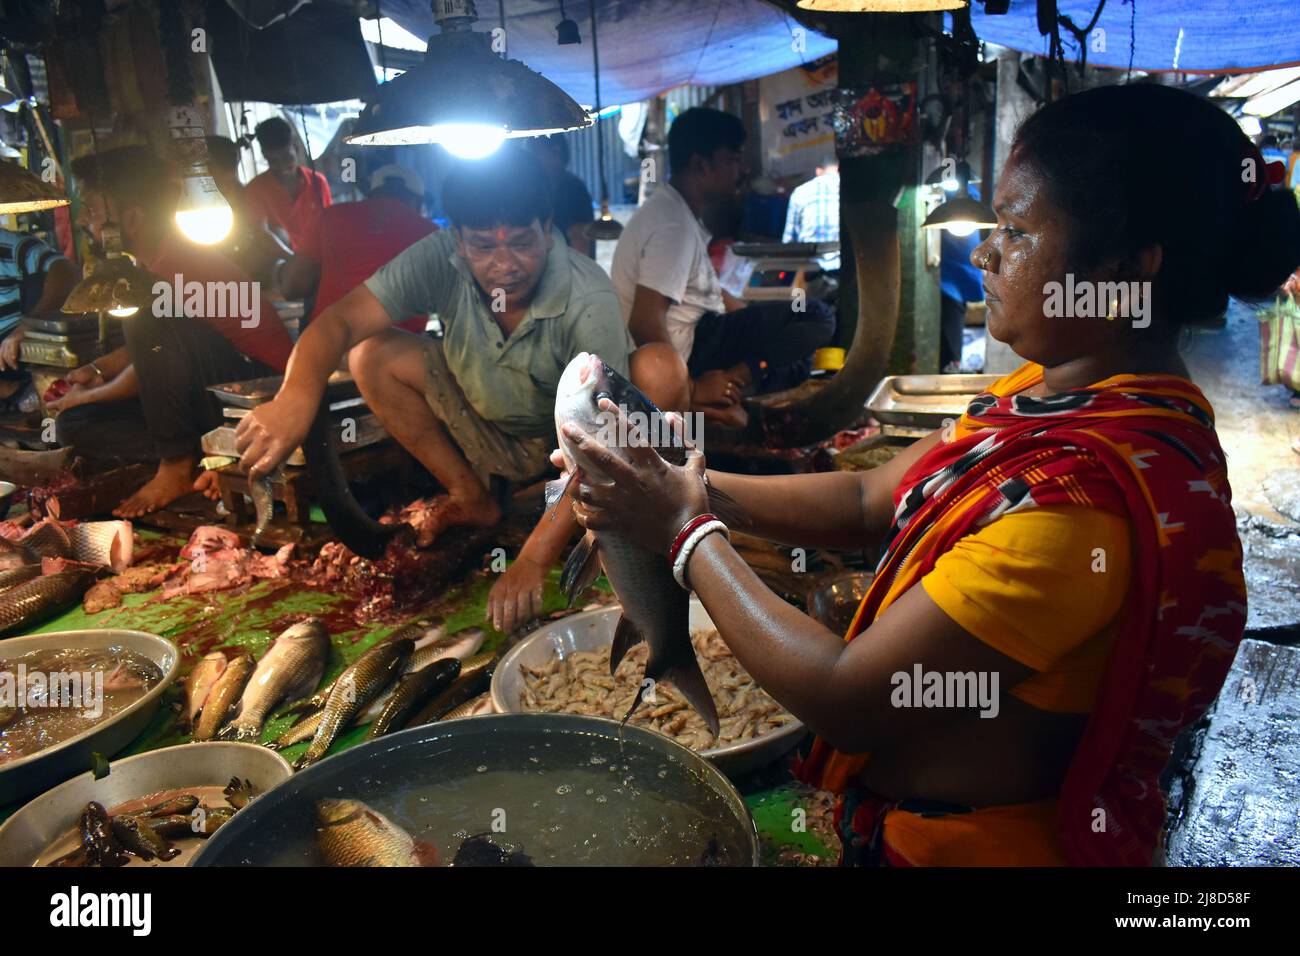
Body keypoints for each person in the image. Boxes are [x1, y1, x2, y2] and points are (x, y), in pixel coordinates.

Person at [556, 84, 1300, 866]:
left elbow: (847, 699)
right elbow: (868, 496)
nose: (984, 252)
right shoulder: (1044, 395)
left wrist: (681, 532)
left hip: (968, 846)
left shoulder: (1080, 509)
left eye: (1014, 231)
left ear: (1123, 270)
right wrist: (683, 484)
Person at [234, 146, 633, 547]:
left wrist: (533, 559)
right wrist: (296, 395)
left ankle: (598, 516)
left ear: (547, 230)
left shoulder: (588, 297)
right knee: (371, 354)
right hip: (481, 424)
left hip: (563, 444)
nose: (505, 265)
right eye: (483, 247)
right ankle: (472, 498)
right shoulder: (439, 256)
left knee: (653, 372)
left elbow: (603, 446)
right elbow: (339, 322)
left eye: (521, 242)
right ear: (457, 239)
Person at [51, 146, 293, 518]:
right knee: (74, 426)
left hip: (258, 393)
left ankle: (176, 465)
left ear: (130, 219)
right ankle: (203, 455)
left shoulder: (173, 267)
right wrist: (98, 371)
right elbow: (155, 357)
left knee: (142, 325)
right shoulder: (153, 263)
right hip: (209, 394)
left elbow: (159, 351)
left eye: (93, 210)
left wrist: (87, 395)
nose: (84, 220)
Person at [611, 107, 834, 429]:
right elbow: (645, 322)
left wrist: (758, 325)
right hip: (687, 353)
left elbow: (710, 293)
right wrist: (690, 387)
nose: (742, 169)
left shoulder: (673, 212)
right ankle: (723, 389)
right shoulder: (672, 225)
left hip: (701, 339)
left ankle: (729, 387)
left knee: (797, 360)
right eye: (733, 159)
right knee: (816, 316)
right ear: (701, 164)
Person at [278, 163, 437, 332]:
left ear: (370, 195)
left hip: (327, 345)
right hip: (399, 350)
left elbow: (291, 287)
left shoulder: (331, 215)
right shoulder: (432, 234)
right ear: (419, 204)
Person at [0, 226, 77, 417]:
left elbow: (66, 271)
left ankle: (17, 391)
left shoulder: (7, 244)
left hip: (16, 350)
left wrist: (30, 324)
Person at [204, 135, 293, 284]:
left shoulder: (242, 195)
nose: (228, 187)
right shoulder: (189, 205)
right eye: (221, 182)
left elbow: (259, 233)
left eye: (230, 181)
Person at [243, 117, 331, 253]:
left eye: (287, 158)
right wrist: (294, 262)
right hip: (281, 264)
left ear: (296, 149)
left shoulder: (318, 182)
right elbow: (261, 235)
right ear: (264, 156)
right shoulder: (254, 190)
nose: (282, 166)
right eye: (273, 161)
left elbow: (328, 225)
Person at [528, 135, 595, 257]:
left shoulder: (573, 189)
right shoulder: (539, 189)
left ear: (556, 152)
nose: (532, 161)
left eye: (537, 154)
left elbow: (580, 242)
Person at [782, 159, 840, 272]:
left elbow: (788, 241)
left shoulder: (800, 192)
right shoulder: (849, 192)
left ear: (818, 171)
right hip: (842, 266)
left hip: (809, 267)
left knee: (798, 289)